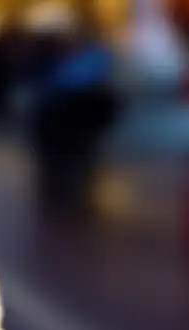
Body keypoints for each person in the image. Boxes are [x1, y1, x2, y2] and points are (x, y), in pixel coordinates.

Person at [26, 17, 120, 216]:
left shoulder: (69, 60)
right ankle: (68, 192)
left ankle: (66, 192)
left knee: (71, 156)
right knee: (74, 156)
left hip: (68, 114)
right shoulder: (92, 57)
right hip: (69, 116)